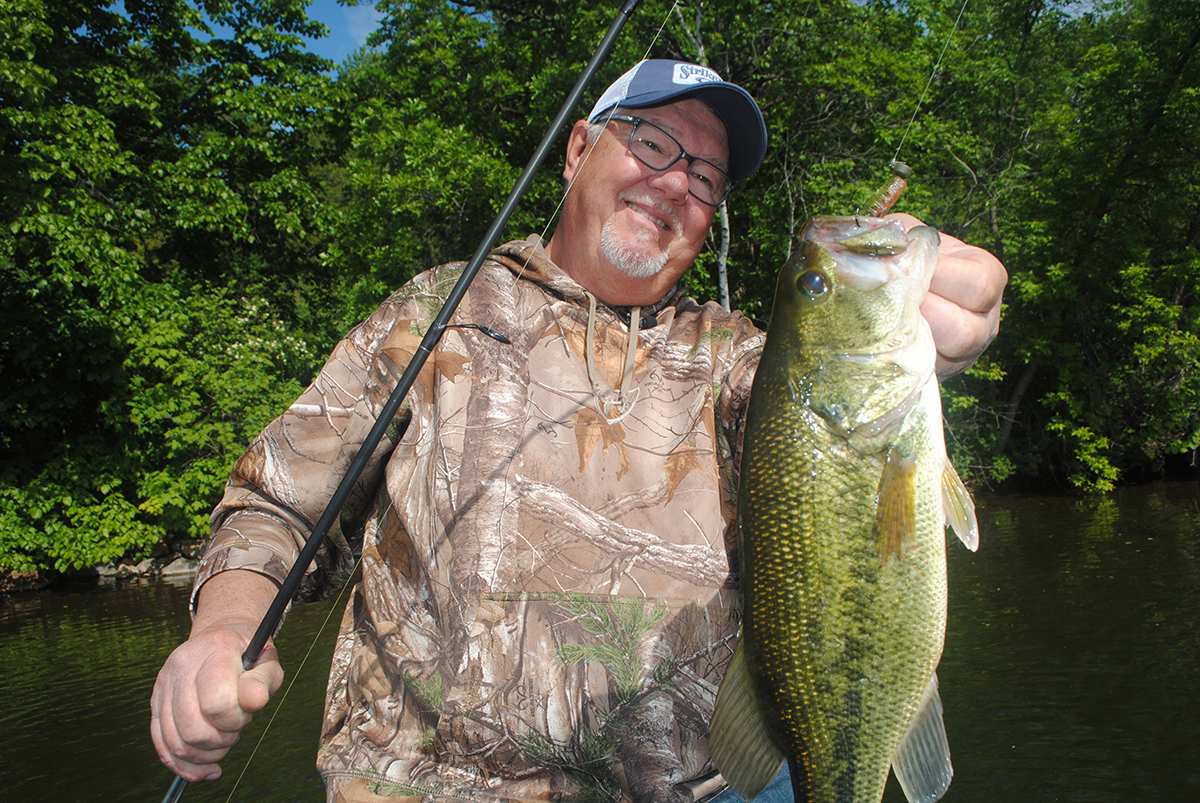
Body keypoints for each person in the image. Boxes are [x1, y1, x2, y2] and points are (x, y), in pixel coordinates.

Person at [151, 60, 1006, 803]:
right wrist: (223, 630)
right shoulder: (436, 314)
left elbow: (832, 422)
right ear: (578, 149)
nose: (676, 183)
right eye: (652, 143)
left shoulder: (737, 358)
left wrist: (941, 321)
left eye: (707, 176)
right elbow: (276, 500)